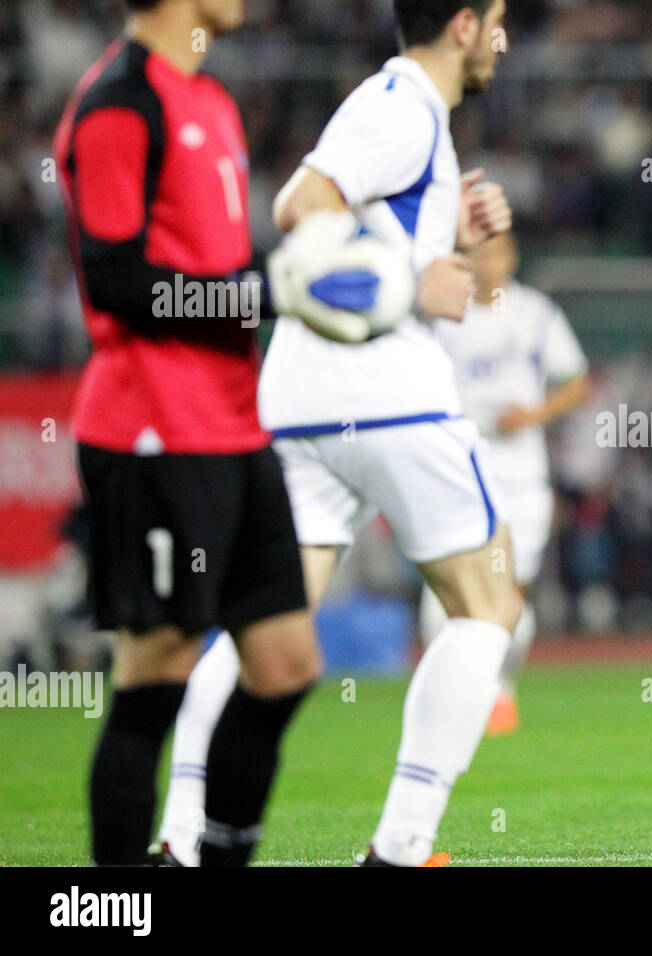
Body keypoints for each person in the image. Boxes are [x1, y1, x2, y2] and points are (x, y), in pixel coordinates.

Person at [154, 0, 519, 868]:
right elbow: (300, 207)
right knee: (489, 605)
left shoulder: (406, 112)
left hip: (301, 403)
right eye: (498, 19)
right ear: (462, 24)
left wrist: (445, 235)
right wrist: (409, 279)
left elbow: (354, 225)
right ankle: (402, 847)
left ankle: (179, 835)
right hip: (391, 397)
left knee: (262, 627)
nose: (505, 39)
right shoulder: (399, 104)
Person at [54, 0, 321, 866]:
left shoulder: (212, 98)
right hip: (152, 432)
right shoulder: (119, 105)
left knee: (285, 665)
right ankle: (112, 904)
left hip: (235, 427)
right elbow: (119, 279)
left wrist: (291, 280)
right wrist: (268, 294)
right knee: (155, 676)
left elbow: (210, 269)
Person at [420, 232, 591, 735]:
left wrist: (533, 414)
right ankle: (448, 692)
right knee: (448, 583)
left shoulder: (536, 313)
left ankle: (501, 688)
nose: (488, 261)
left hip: (520, 477)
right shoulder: (442, 313)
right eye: (478, 252)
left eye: (496, 251)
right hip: (455, 470)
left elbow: (576, 380)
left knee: (510, 589)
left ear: (512, 257)